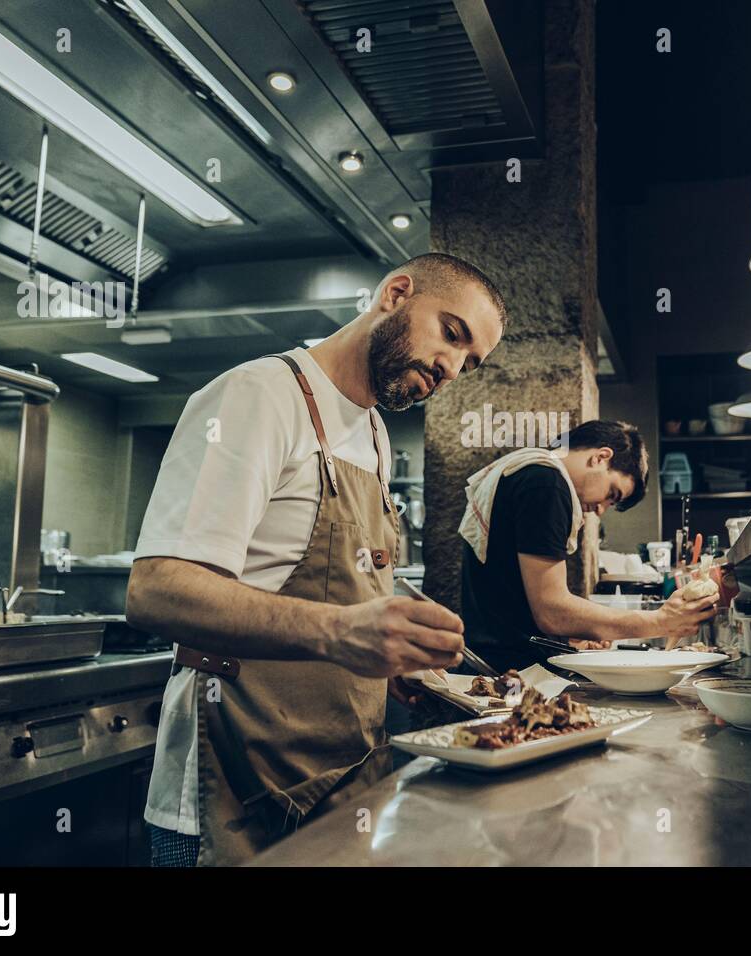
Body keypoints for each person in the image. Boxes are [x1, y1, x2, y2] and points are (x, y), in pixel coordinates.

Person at [126, 253, 505, 866]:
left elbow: (345, 586)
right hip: (236, 792)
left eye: (469, 361)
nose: (451, 367)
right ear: (396, 293)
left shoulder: (377, 435)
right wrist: (340, 631)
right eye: (451, 334)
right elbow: (158, 590)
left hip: (347, 779)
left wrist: (400, 653)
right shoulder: (256, 395)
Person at [458, 420, 719, 673]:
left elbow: (509, 590)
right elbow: (552, 611)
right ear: (601, 457)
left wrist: (574, 634)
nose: (601, 509)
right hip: (510, 671)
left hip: (492, 660)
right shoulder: (546, 482)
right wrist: (660, 622)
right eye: (611, 494)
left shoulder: (525, 470)